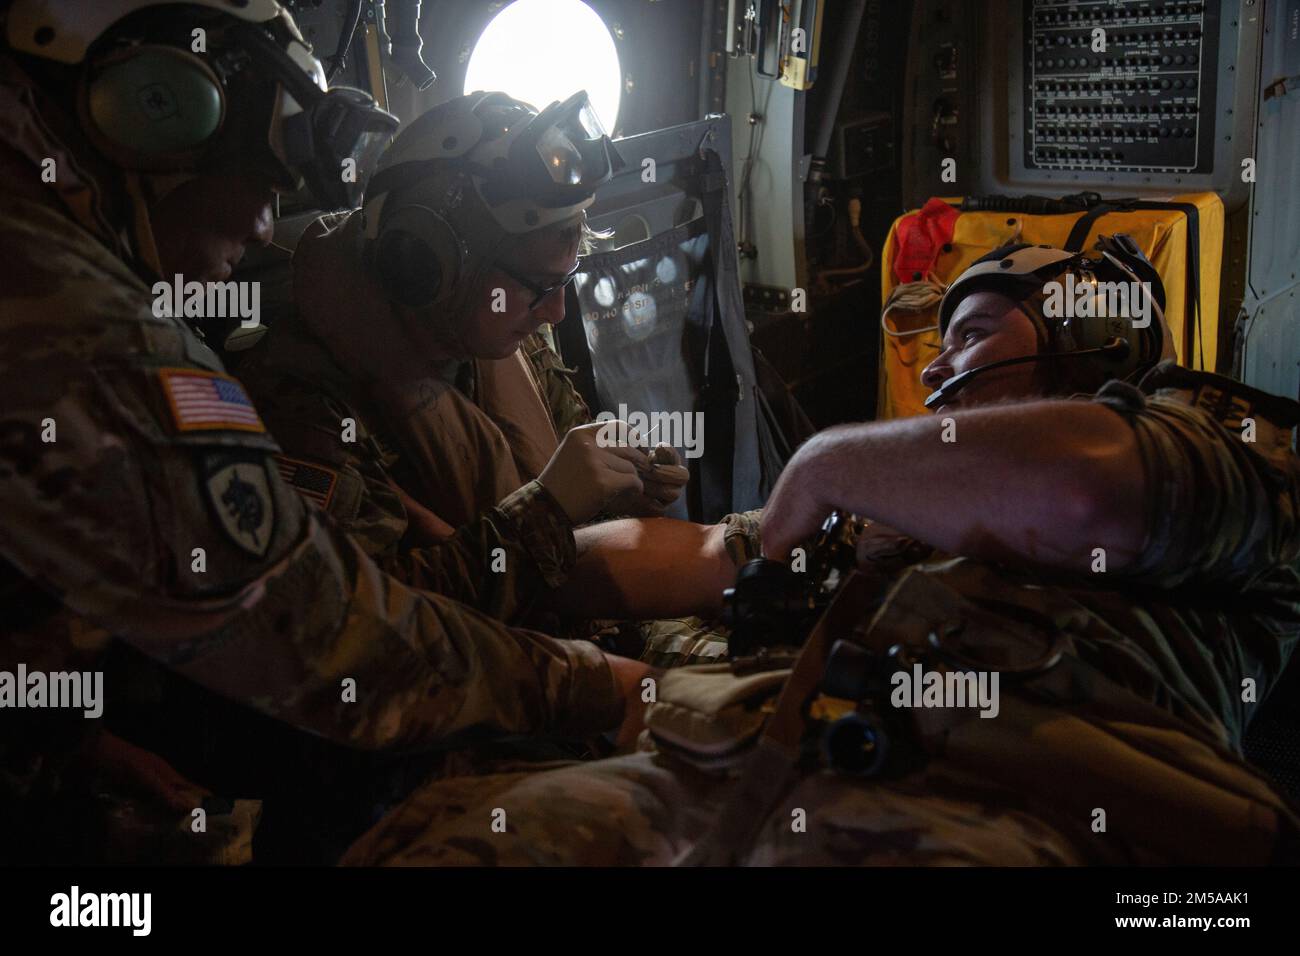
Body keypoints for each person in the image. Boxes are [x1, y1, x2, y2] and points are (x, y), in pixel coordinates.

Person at [339, 238, 1300, 866]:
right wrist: (523, 554)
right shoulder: (908, 507)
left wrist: (825, 463)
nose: (933, 369)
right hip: (788, 764)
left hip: (1036, 796)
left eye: (968, 336)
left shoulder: (1222, 445)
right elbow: (714, 548)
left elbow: (1095, 489)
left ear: (1091, 331)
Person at [0, 0, 651, 865]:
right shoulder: (91, 329)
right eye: (266, 180)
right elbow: (330, 640)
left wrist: (54, 741)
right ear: (152, 106)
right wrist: (589, 685)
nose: (267, 226)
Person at [233, 92, 757, 665]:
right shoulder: (302, 404)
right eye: (538, 287)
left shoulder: (499, 331)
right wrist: (548, 509)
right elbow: (368, 631)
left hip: (578, 640)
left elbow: (574, 477)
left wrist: (625, 480)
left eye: (564, 282)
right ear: (426, 267)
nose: (555, 313)